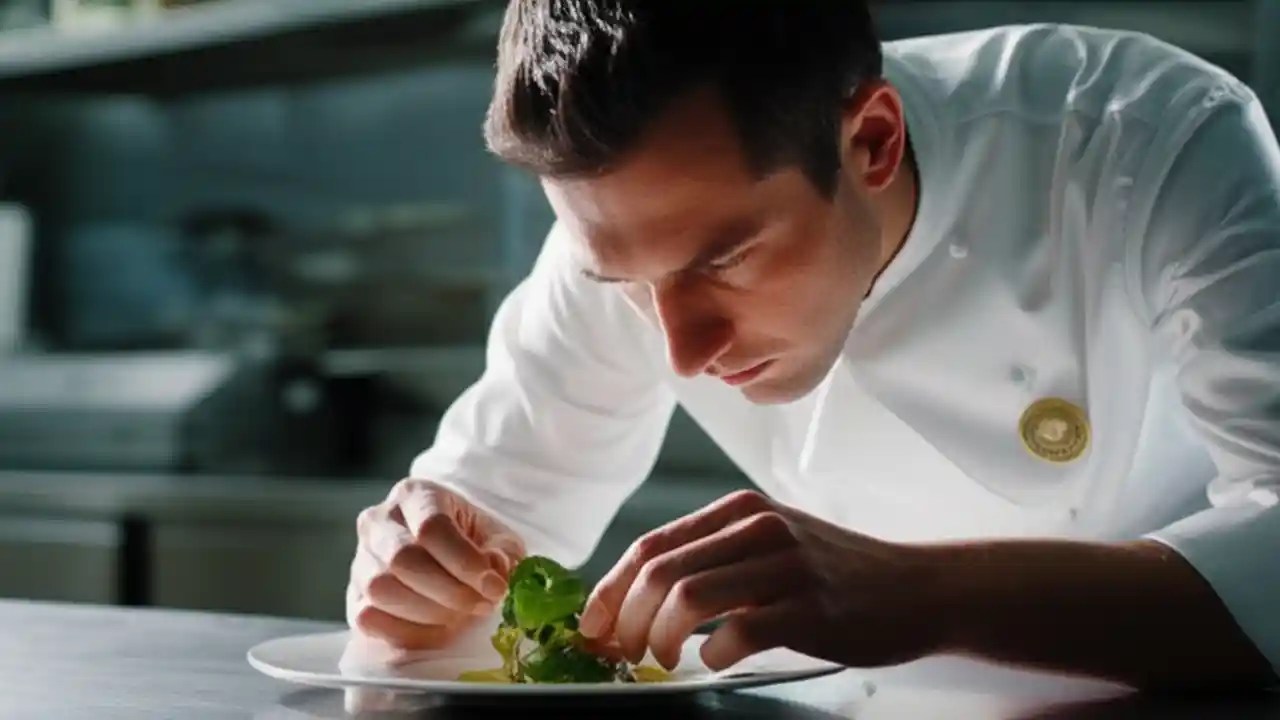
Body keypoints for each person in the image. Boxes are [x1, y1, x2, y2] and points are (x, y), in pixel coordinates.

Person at [346, 1, 1280, 691]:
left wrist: (921, 592)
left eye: (730, 259)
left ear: (872, 140)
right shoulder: (621, 237)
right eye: (625, 286)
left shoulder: (1147, 143)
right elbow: (477, 526)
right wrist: (411, 574)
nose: (680, 350)